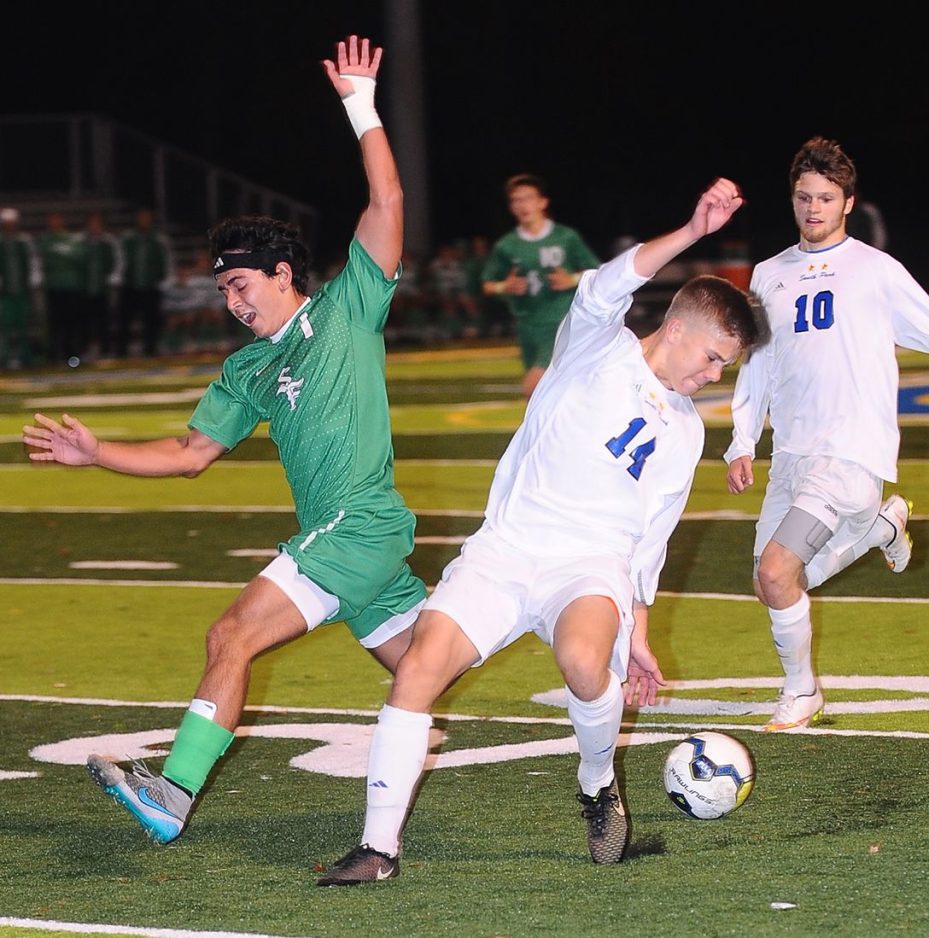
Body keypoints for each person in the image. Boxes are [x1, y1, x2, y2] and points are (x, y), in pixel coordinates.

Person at [22, 34, 427, 846]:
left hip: (352, 527)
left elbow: (385, 205)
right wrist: (96, 452)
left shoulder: (345, 308)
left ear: (283, 274)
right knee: (433, 662)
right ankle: (600, 666)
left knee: (230, 635)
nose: (232, 301)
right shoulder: (248, 368)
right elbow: (189, 455)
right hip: (359, 547)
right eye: (221, 290)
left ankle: (171, 794)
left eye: (240, 283)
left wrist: (359, 102)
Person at [318, 177, 764, 885]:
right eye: (711, 357)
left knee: (587, 664)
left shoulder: (684, 431)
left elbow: (651, 538)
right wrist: (689, 232)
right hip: (507, 547)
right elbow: (607, 282)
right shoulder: (595, 346)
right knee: (418, 671)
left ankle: (596, 787)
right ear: (676, 326)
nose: (712, 376)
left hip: (589, 566)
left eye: (724, 368)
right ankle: (377, 849)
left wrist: (638, 631)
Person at [724, 136, 929, 733]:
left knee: (777, 568)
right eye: (803, 197)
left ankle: (802, 691)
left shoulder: (875, 269)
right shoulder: (767, 275)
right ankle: (881, 527)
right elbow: (756, 365)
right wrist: (742, 441)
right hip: (793, 450)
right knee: (772, 582)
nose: (813, 208)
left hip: (850, 449)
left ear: (848, 203)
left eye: (826, 198)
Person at [481, 174, 600, 398]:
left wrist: (572, 280)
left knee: (533, 388)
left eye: (527, 198)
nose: (522, 205)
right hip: (528, 326)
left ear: (542, 202)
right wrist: (504, 287)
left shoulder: (565, 238)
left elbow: (596, 272)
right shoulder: (507, 246)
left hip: (562, 322)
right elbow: (488, 284)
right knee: (545, 398)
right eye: (516, 200)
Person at [117, 207, 174, 357]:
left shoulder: (159, 239)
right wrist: (119, 278)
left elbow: (166, 261)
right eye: (141, 217)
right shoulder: (128, 238)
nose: (144, 221)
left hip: (151, 285)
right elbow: (120, 260)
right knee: (125, 320)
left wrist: (164, 280)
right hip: (130, 285)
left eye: (147, 217)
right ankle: (122, 351)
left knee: (151, 320)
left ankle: (150, 349)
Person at [0, 206, 41, 369]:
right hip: (5, 293)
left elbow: (33, 262)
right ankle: (6, 357)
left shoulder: (24, 241)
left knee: (24, 326)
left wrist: (33, 281)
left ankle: (26, 357)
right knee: (6, 326)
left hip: (22, 291)